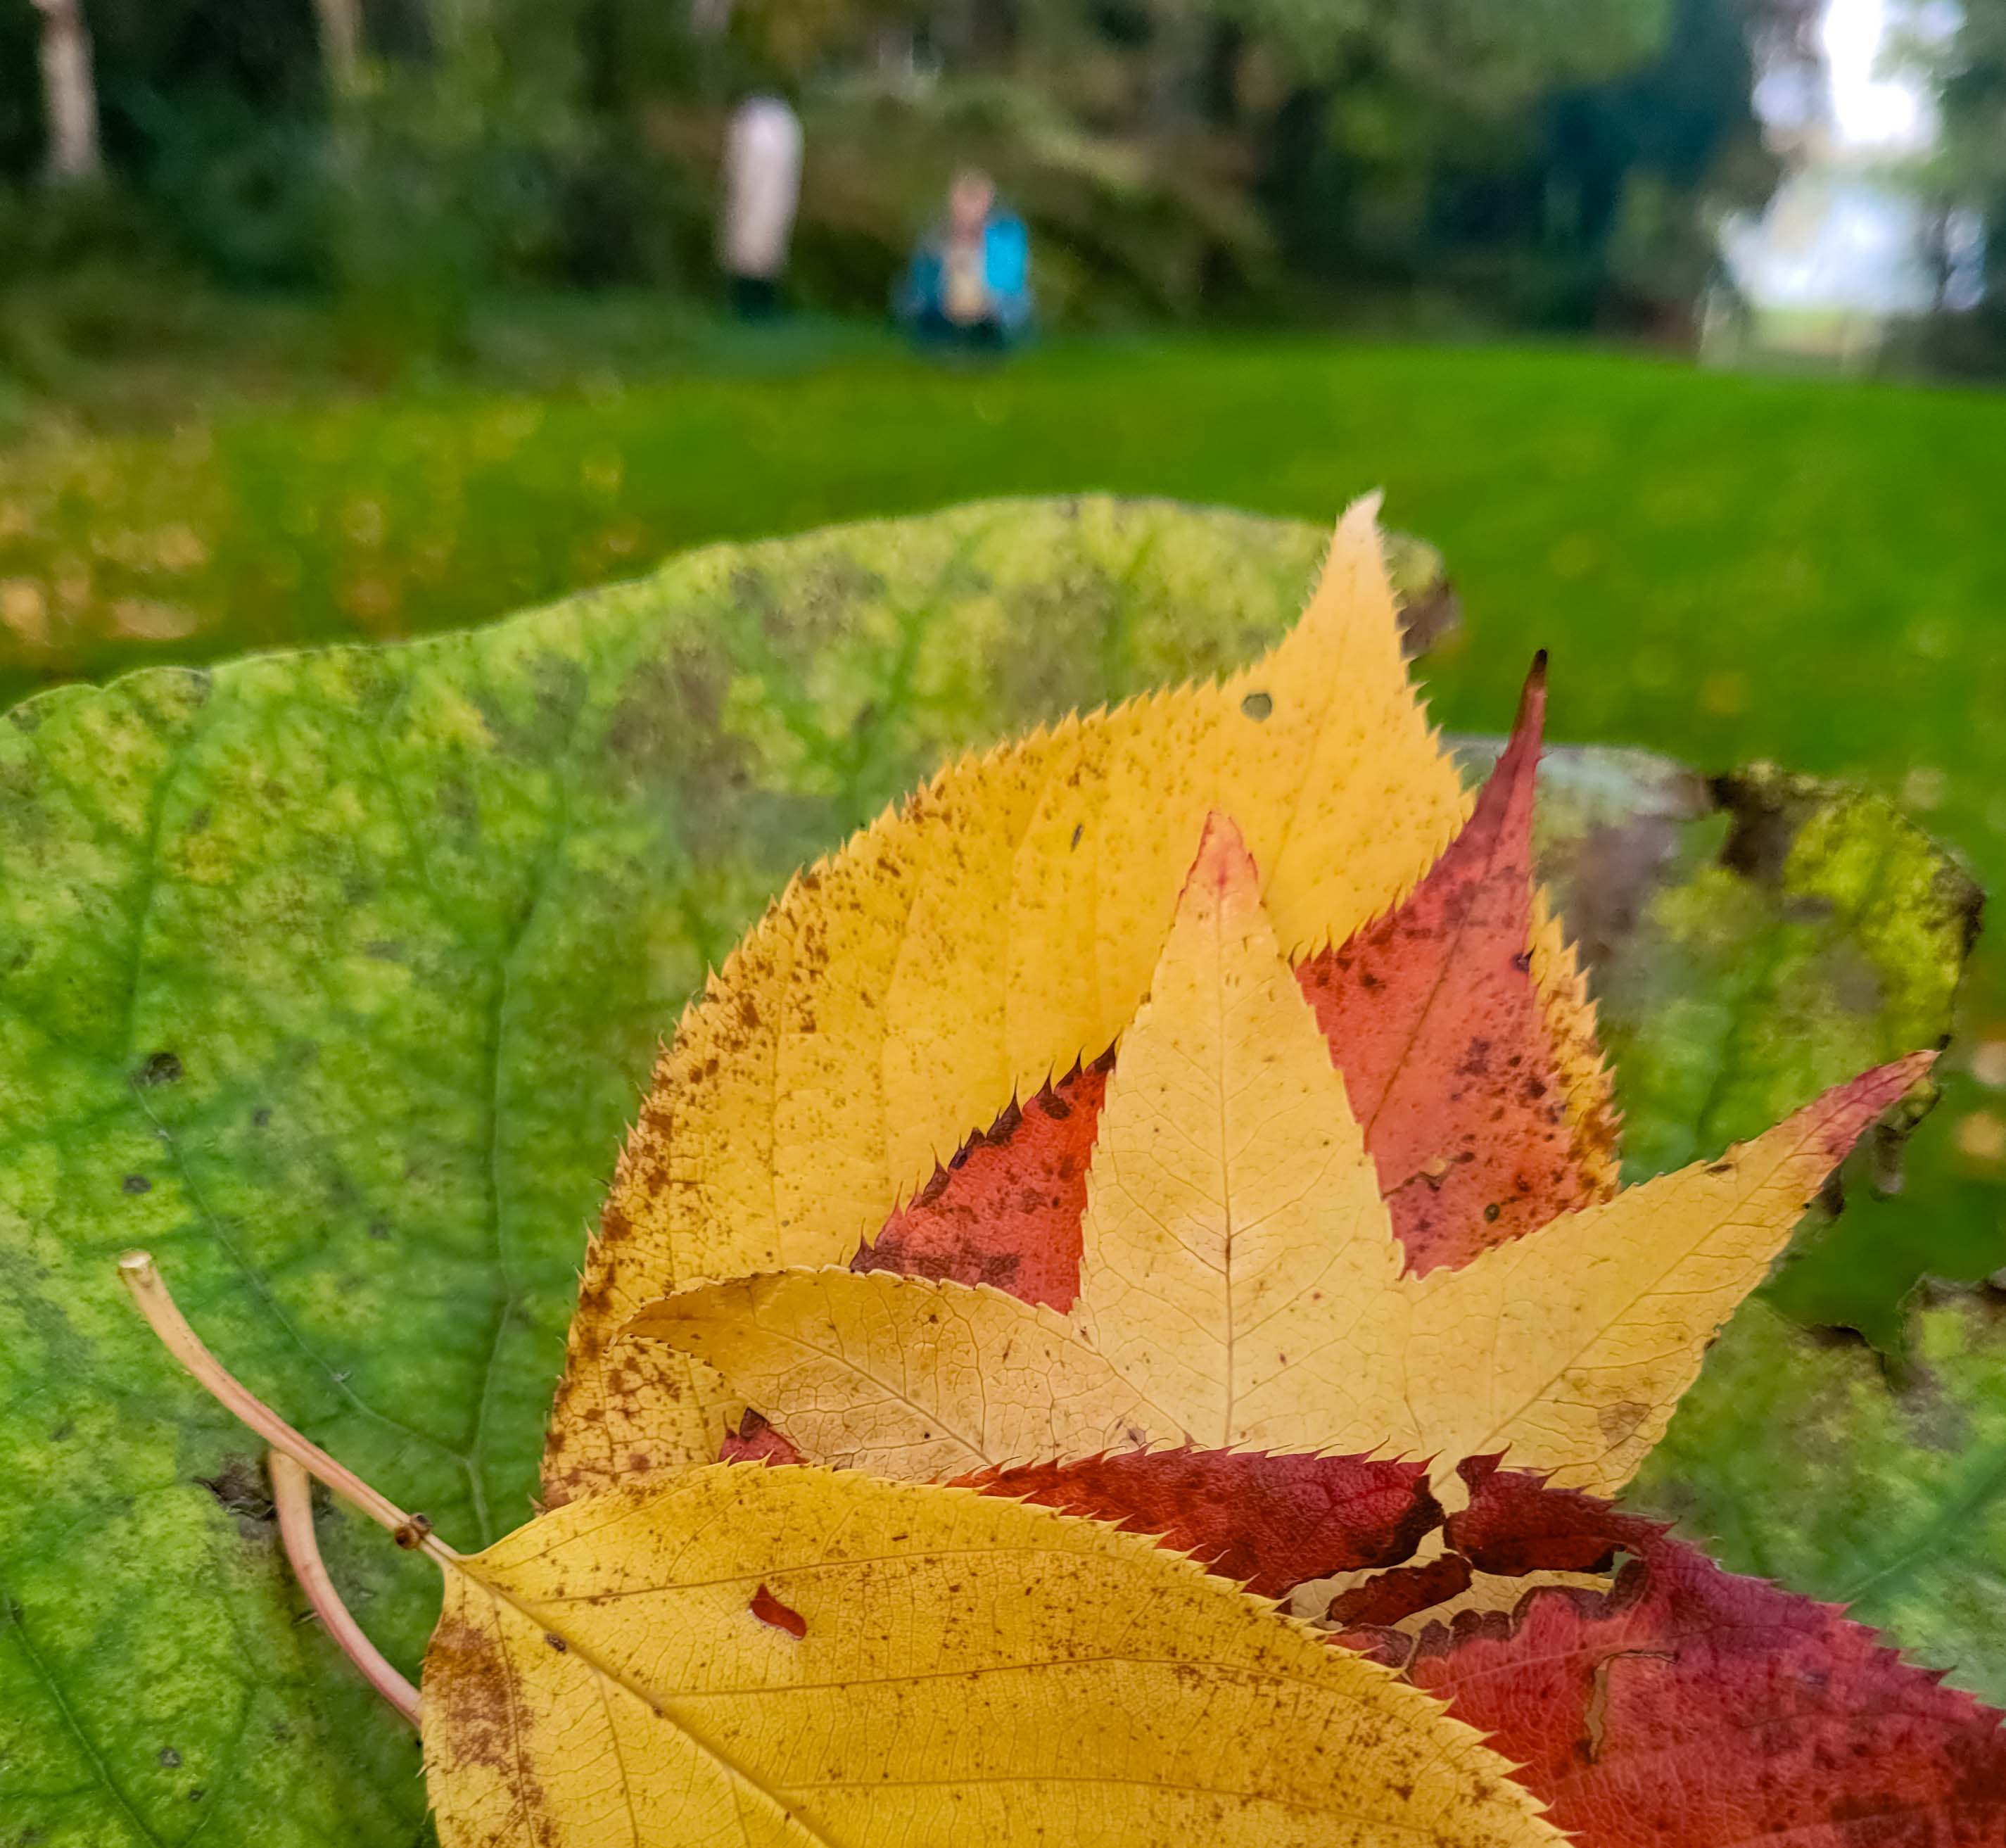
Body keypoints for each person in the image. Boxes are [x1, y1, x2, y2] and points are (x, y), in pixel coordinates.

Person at [896, 168, 1033, 350]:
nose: (969, 209)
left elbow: (1011, 280)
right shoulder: (935, 235)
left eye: (976, 201)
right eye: (964, 200)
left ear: (987, 202)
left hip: (992, 309)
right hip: (942, 307)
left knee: (1011, 310)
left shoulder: (1005, 235)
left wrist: (984, 301)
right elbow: (922, 280)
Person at [719, 91, 802, 319]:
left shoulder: (779, 125)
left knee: (765, 246)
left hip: (770, 199)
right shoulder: (759, 125)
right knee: (749, 246)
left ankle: (760, 306)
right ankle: (747, 304)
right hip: (752, 200)